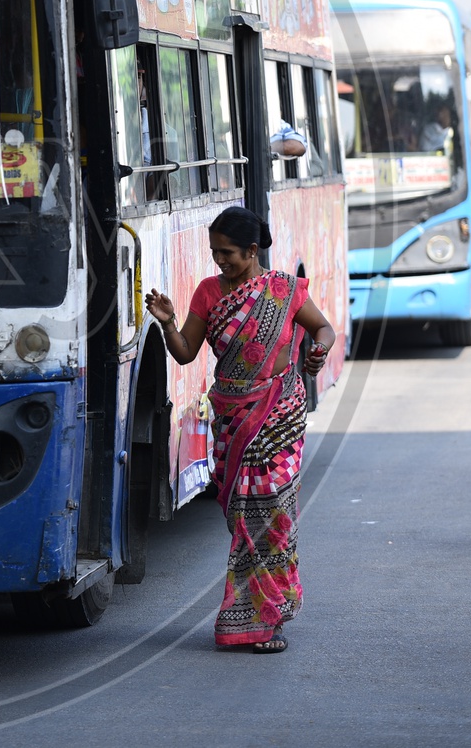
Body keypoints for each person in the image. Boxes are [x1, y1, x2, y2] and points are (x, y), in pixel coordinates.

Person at [144, 207, 335, 654]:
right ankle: (254, 613)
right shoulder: (209, 293)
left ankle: (268, 618)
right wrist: (169, 322)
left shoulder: (285, 289)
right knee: (246, 519)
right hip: (233, 419)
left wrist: (319, 352)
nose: (220, 261)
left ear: (252, 250)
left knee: (273, 513)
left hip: (279, 412)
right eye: (214, 253)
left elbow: (322, 328)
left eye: (227, 253)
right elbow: (187, 353)